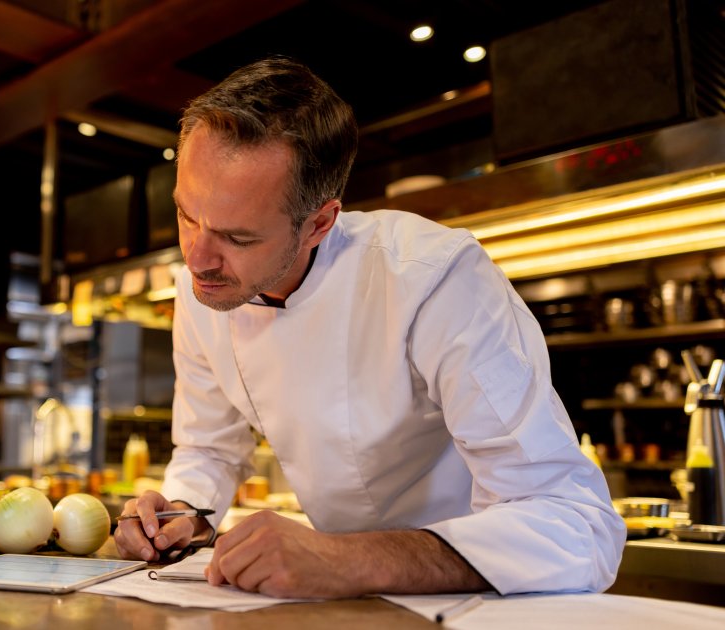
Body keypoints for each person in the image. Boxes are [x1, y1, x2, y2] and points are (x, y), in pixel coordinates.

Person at [113, 57, 625, 599]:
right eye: (187, 215)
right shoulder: (204, 293)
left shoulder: (434, 280)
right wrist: (183, 514)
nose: (197, 259)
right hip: (338, 603)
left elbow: (575, 527)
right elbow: (208, 451)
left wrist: (350, 558)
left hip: (474, 599)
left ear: (320, 223)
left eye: (238, 238)